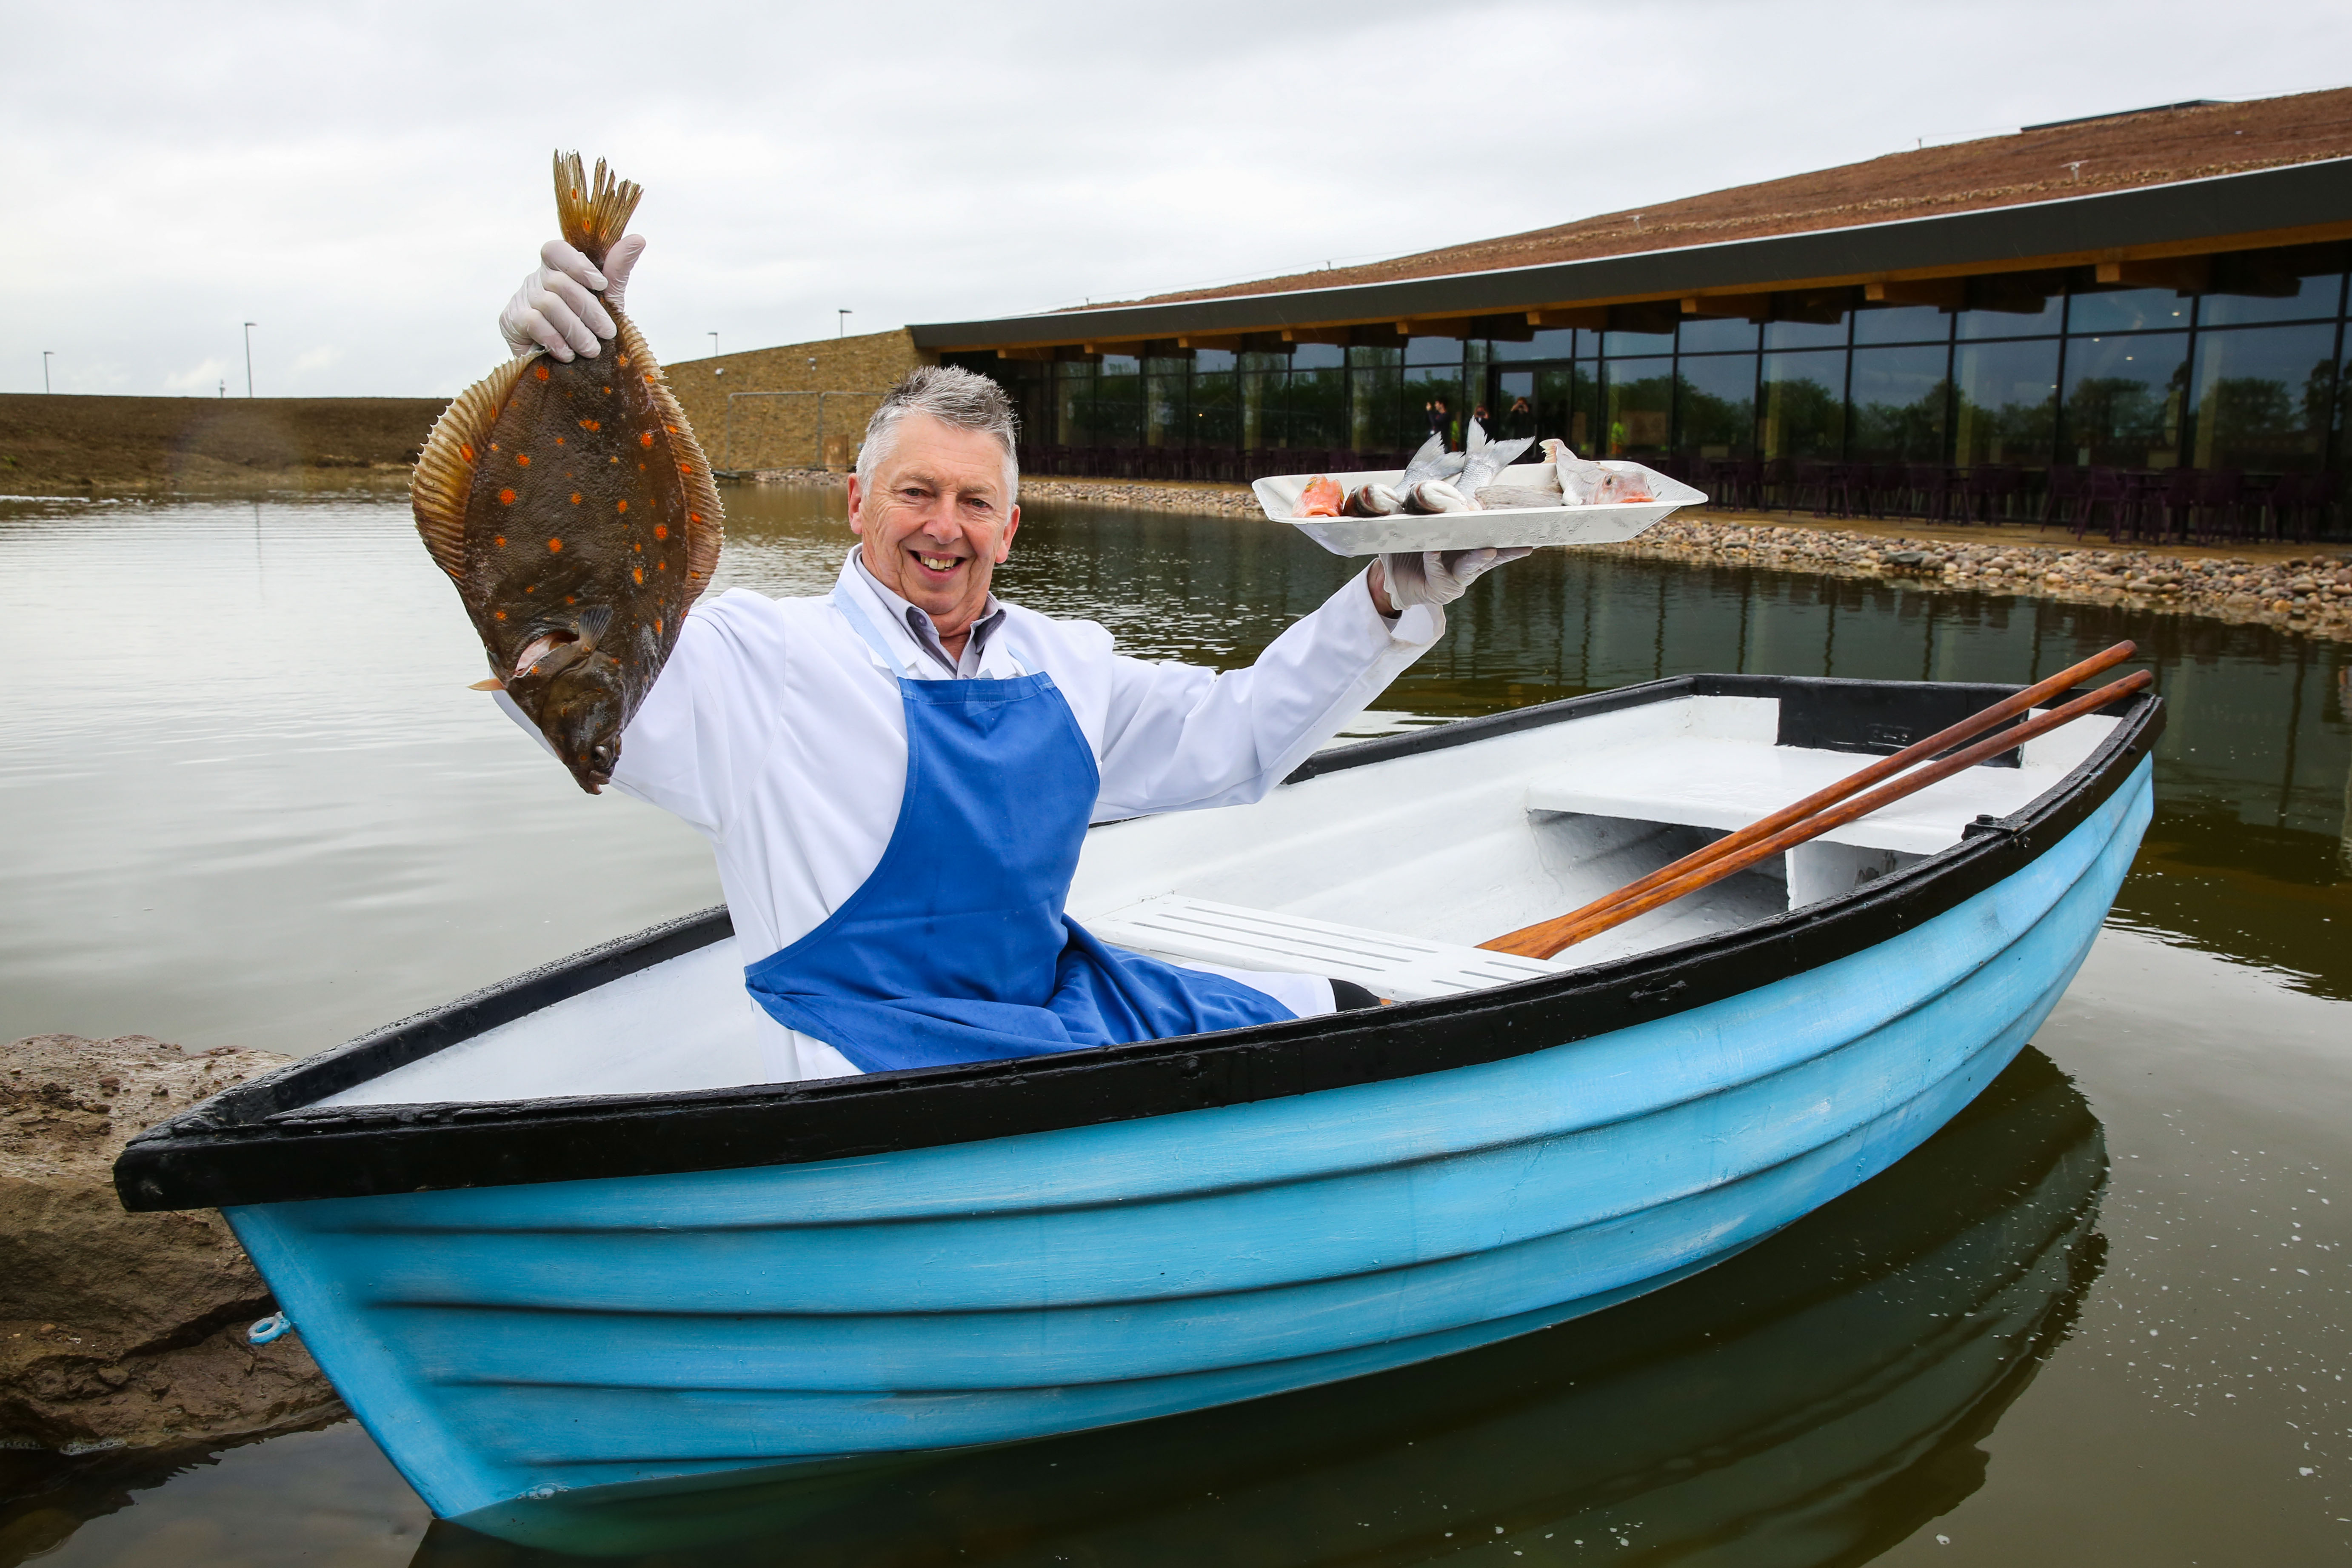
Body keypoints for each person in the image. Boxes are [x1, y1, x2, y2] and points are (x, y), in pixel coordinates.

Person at [496, 235, 1528, 1082]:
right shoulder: (752, 660)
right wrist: (543, 379)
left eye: (974, 501)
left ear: (1010, 526)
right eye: (915, 492)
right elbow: (558, 662)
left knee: (1341, 1014)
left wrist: (1392, 590)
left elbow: (1241, 736)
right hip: (878, 1063)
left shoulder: (1068, 663)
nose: (945, 527)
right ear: (857, 502)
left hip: (1055, 1005)